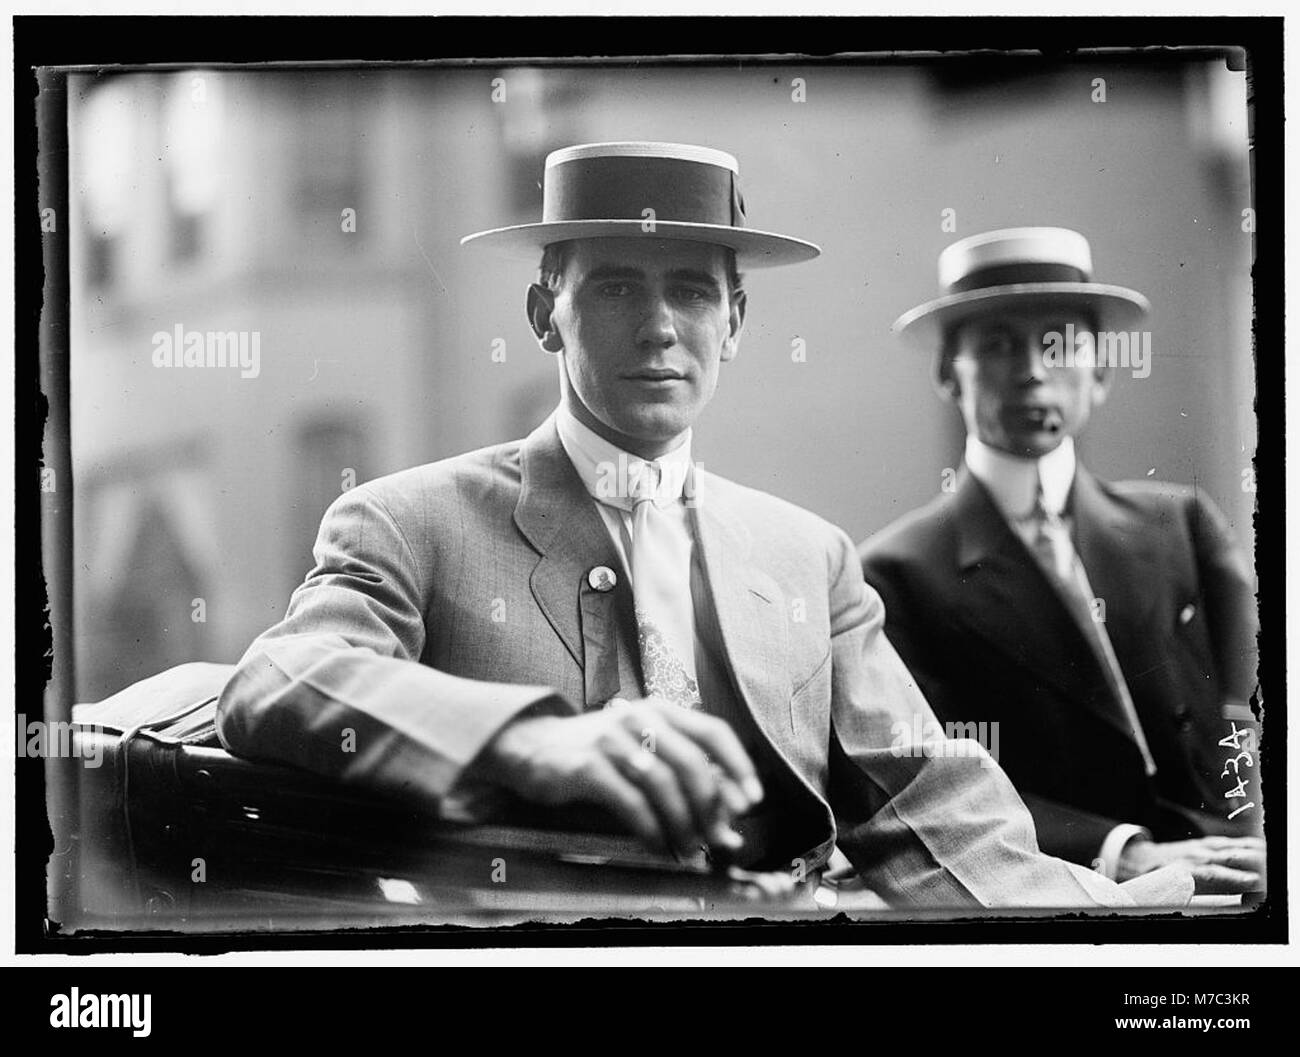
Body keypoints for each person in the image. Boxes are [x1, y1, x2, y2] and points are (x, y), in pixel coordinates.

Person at [216, 147, 1171, 908]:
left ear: (738, 319)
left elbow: (936, 814)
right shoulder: (410, 520)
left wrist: (1125, 913)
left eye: (694, 291)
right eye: (618, 288)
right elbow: (277, 681)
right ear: (545, 312)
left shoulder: (809, 556)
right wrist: (525, 740)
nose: (661, 326)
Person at [859, 227, 1263, 895]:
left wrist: (1252, 839)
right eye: (997, 345)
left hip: (1238, 881)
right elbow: (926, 782)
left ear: (1101, 371)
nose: (1031, 370)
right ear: (946, 373)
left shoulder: (1182, 526)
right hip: (1066, 891)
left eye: (1059, 343)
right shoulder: (896, 573)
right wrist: (1122, 850)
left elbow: (1250, 707)